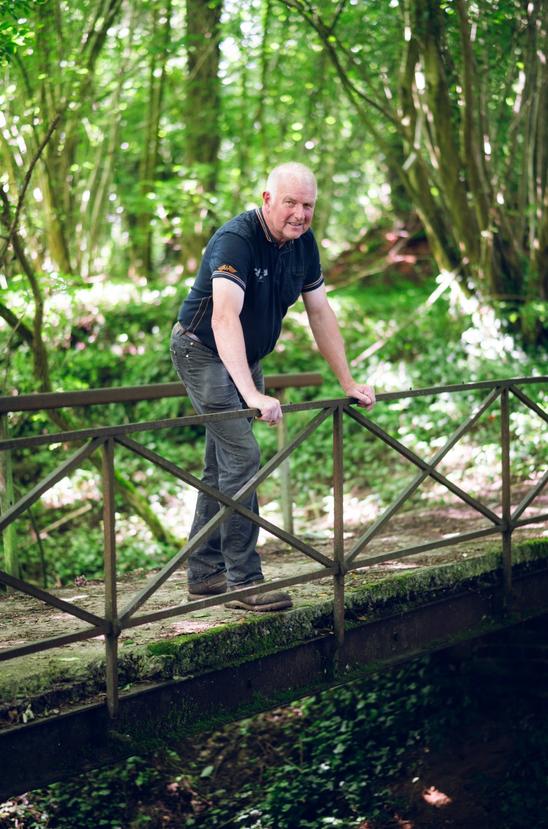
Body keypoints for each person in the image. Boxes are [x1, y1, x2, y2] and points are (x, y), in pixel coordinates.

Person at [170, 162, 375, 613]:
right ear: (266, 200)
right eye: (290, 203)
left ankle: (204, 573)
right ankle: (245, 584)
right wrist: (253, 394)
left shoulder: (303, 246)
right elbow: (223, 319)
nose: (300, 214)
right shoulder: (236, 241)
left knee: (221, 463)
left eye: (308, 205)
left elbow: (320, 313)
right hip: (202, 349)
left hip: (247, 353)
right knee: (242, 456)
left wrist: (349, 381)